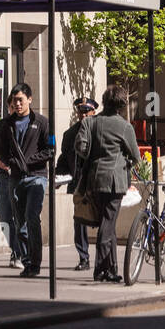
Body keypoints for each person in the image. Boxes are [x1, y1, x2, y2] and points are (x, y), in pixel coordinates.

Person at [75, 86, 140, 282]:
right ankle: (100, 269)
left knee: (108, 223)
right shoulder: (124, 126)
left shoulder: (90, 122)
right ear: (121, 104)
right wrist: (124, 163)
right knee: (107, 224)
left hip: (94, 180)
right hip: (114, 181)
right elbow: (135, 156)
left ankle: (111, 269)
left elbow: (81, 147)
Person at [0, 83, 52, 278]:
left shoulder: (42, 122)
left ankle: (35, 262)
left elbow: (50, 150)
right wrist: (11, 162)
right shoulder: (5, 125)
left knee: (32, 216)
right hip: (16, 178)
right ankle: (26, 261)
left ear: (29, 99)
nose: (17, 104)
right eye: (15, 100)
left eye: (21, 100)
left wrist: (28, 161)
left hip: (37, 177)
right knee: (20, 222)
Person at [56, 96, 98, 271]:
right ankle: (84, 258)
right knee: (79, 222)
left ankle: (105, 260)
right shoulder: (70, 134)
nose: (83, 115)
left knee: (103, 221)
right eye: (81, 111)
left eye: (87, 111)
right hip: (79, 183)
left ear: (94, 112)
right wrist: (58, 176)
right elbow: (64, 160)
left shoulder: (99, 130)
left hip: (97, 182)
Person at [0, 91, 23, 268]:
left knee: (20, 217)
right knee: (4, 216)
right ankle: (16, 251)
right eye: (10, 106)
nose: (13, 109)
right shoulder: (0, 126)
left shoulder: (26, 125)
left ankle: (21, 253)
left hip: (20, 177)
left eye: (17, 104)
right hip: (3, 176)